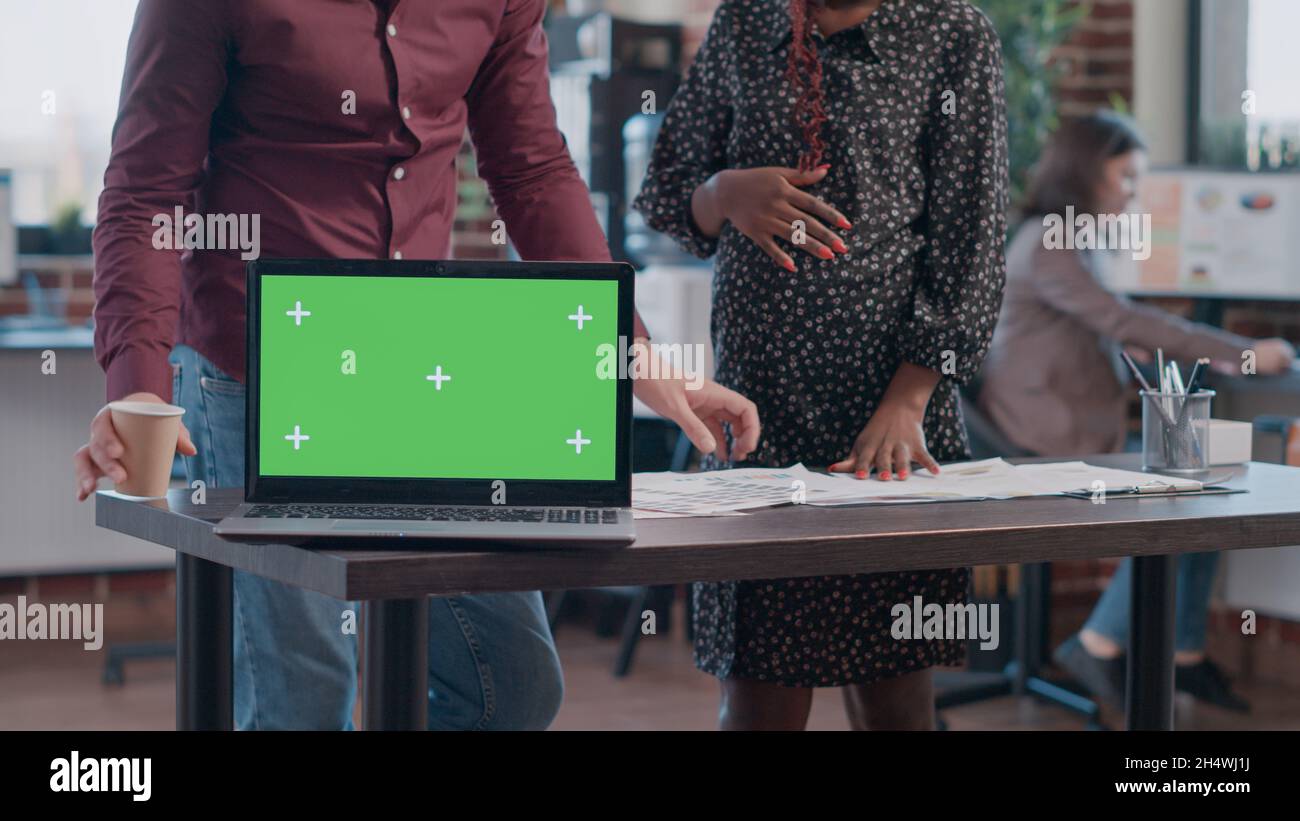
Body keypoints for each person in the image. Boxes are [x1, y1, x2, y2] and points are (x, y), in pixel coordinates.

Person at [72, 0, 759, 730]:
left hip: (419, 367)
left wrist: (632, 349)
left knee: (513, 681)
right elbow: (146, 191)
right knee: (301, 701)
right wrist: (138, 386)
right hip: (254, 371)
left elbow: (531, 167)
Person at [633, 0, 1007, 729]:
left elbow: (973, 242)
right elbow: (669, 191)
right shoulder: (746, 20)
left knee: (898, 695)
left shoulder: (952, 32)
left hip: (890, 417)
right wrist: (723, 194)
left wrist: (909, 401)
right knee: (756, 693)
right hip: (757, 412)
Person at [978, 110, 1295, 713]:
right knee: (1195, 487)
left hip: (1061, 419)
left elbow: (1109, 328)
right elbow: (1122, 319)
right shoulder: (1053, 240)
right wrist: (1246, 354)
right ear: (1087, 171)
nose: (1132, 193)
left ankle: (1183, 655)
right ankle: (1099, 643)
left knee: (1209, 477)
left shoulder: (1061, 236)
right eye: (1126, 177)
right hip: (1038, 436)